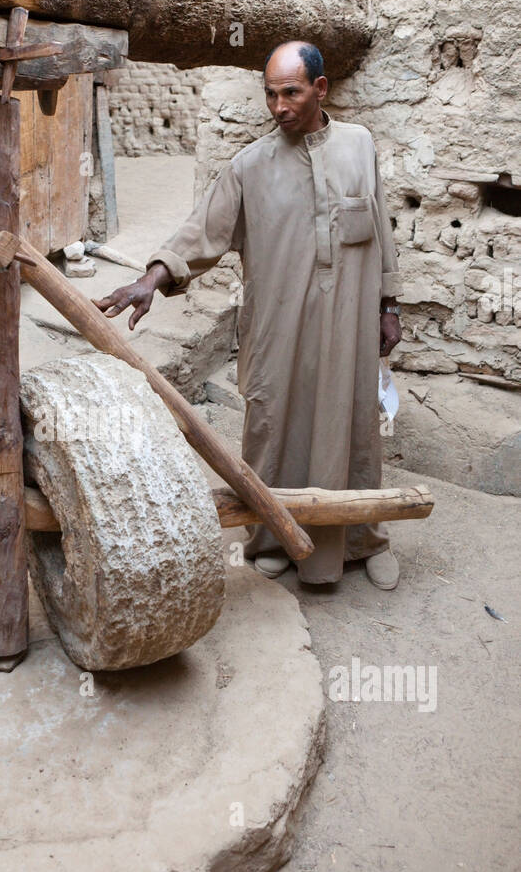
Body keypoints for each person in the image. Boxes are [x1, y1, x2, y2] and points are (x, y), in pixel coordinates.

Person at [93, 40, 404, 589]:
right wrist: (150, 279)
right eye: (271, 94)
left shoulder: (359, 146)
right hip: (277, 327)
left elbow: (381, 231)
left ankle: (362, 537)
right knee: (271, 424)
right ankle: (272, 534)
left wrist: (389, 303)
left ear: (320, 89)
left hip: (350, 324)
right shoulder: (251, 166)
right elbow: (201, 233)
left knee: (352, 425)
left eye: (291, 92)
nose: (280, 105)